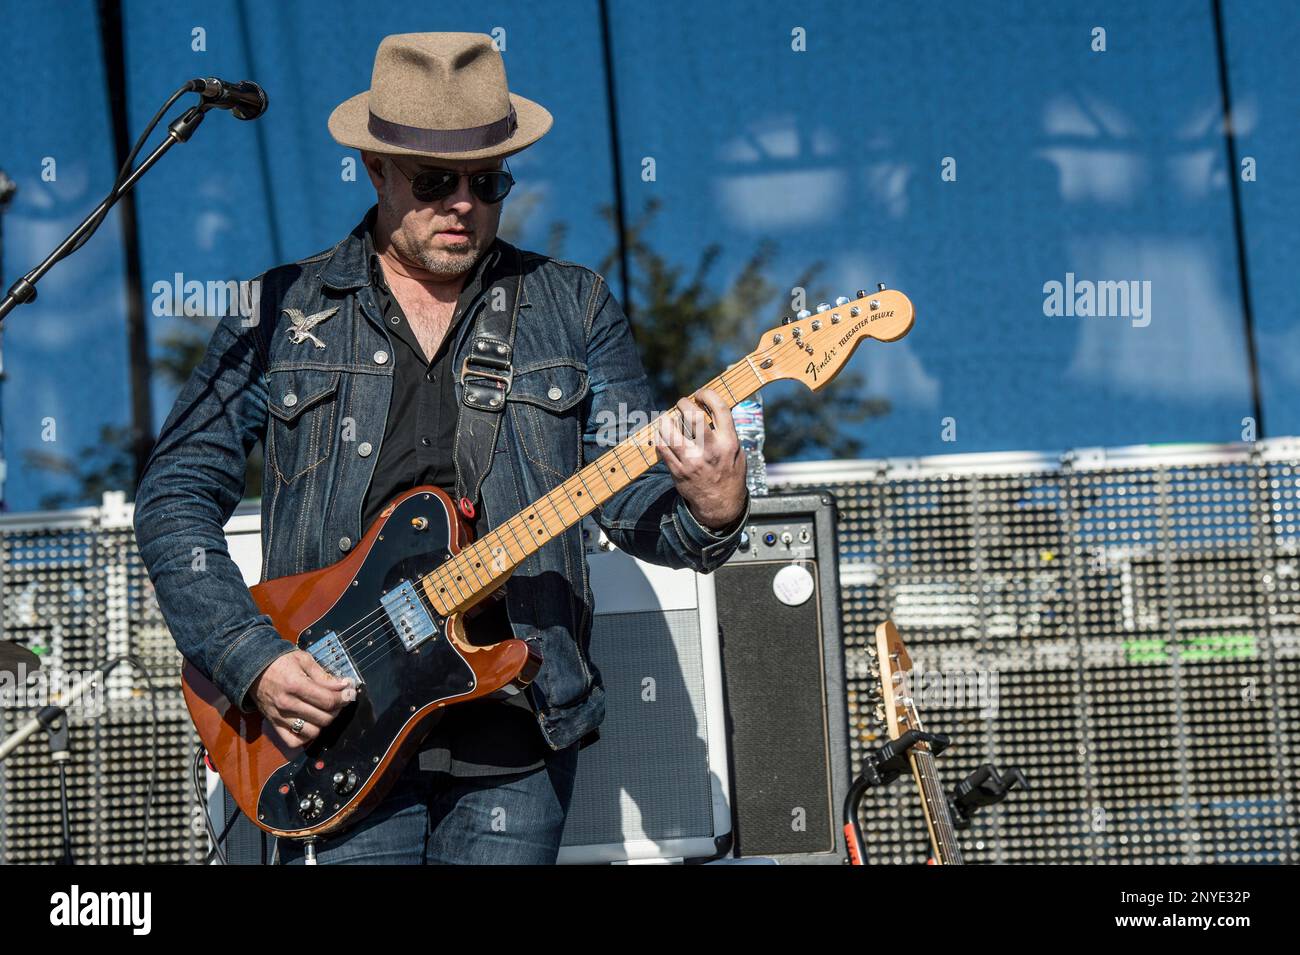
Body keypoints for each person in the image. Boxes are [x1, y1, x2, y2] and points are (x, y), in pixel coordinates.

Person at [133, 32, 750, 864]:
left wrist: (713, 506)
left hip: (514, 725)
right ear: (375, 169)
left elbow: (635, 504)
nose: (463, 203)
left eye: (486, 182)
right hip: (333, 721)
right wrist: (253, 659)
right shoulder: (279, 310)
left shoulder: (571, 307)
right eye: (434, 181)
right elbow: (173, 496)